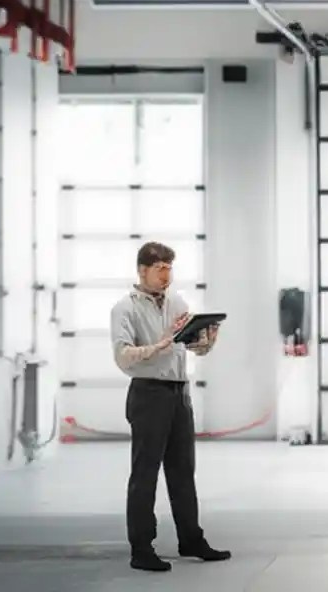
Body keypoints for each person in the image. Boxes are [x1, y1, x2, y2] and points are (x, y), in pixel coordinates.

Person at [110, 241, 230, 572]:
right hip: (148, 394)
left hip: (179, 393)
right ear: (142, 270)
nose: (166, 275)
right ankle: (141, 548)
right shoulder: (126, 308)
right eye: (160, 268)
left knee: (182, 472)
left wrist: (207, 339)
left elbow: (193, 349)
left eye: (169, 268)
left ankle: (191, 538)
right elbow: (123, 356)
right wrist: (159, 346)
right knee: (145, 473)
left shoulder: (176, 302)